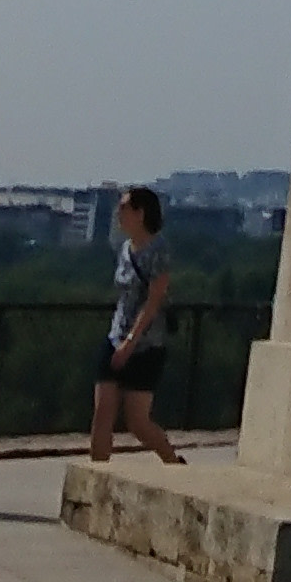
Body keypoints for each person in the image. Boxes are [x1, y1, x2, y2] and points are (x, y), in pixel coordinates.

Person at [87, 188, 184, 468]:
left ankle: (173, 463)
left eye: (124, 208)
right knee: (103, 409)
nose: (119, 214)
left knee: (138, 422)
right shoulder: (125, 248)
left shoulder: (158, 250)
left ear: (140, 213)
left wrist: (131, 342)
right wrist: (119, 339)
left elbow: (154, 300)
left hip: (147, 344)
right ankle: (97, 474)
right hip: (115, 335)